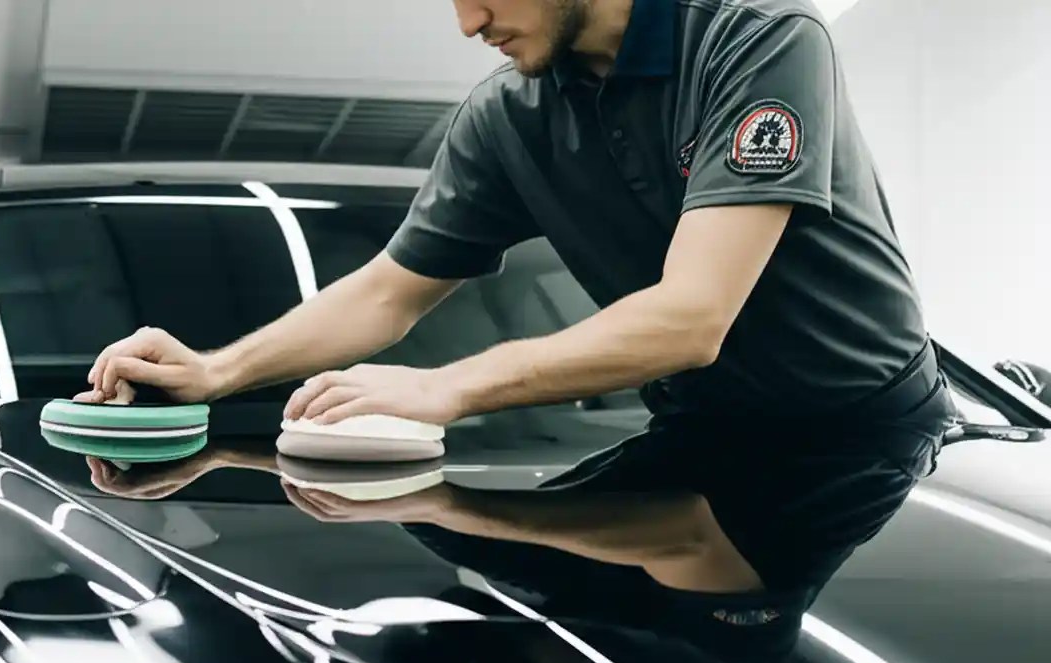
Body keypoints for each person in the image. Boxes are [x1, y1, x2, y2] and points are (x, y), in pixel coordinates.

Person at [77, 0, 957, 594]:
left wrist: (442, 386)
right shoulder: (506, 115)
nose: (468, 22)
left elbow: (692, 318)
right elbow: (388, 292)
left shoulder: (759, 41)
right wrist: (216, 373)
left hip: (872, 444)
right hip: (693, 435)